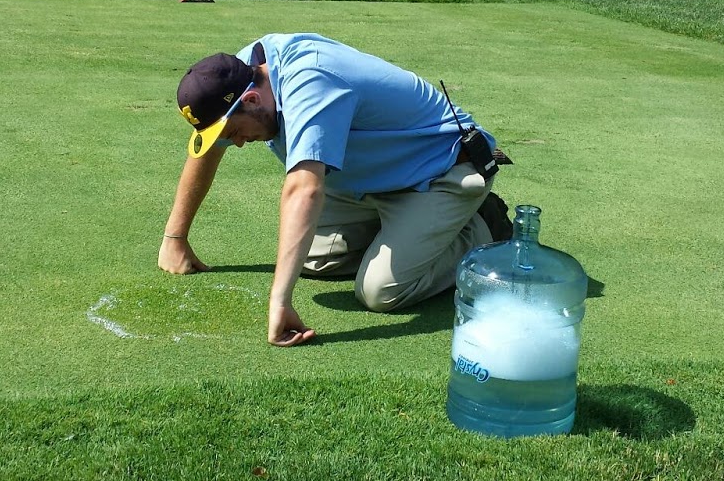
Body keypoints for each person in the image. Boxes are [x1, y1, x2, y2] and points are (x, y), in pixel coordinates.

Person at [159, 33, 512, 347]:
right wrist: (175, 237)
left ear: (251, 100)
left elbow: (304, 189)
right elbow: (207, 153)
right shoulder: (239, 73)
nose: (237, 143)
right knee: (311, 257)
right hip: (378, 180)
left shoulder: (311, 81)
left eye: (235, 132)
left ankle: (483, 228)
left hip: (443, 171)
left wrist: (279, 301)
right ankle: (410, 234)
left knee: (379, 292)